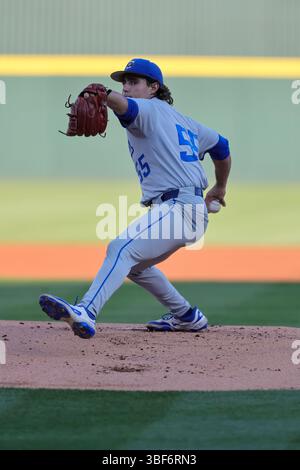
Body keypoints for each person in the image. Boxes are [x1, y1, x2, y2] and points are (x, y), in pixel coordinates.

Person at [39, 58, 231, 339]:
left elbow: (124, 106)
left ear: (154, 87)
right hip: (184, 208)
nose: (127, 87)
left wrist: (103, 95)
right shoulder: (184, 121)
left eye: (134, 82)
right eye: (124, 82)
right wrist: (220, 188)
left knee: (120, 249)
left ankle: (86, 311)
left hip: (179, 208)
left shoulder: (148, 109)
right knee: (136, 266)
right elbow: (222, 146)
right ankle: (187, 316)